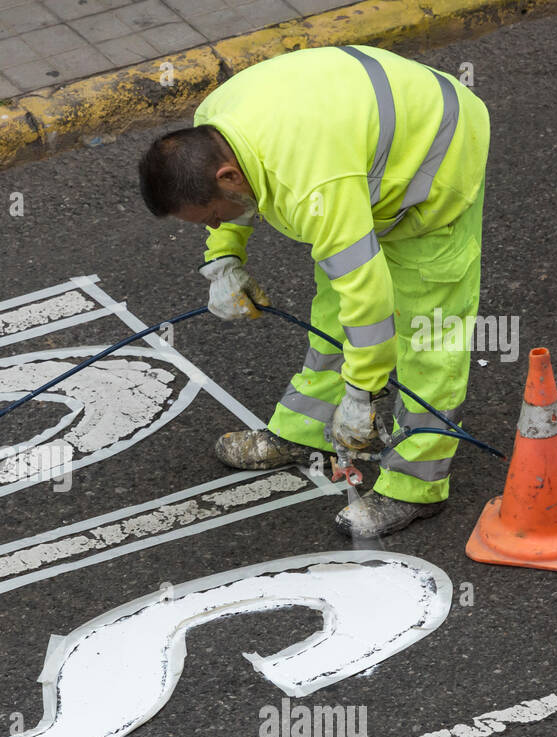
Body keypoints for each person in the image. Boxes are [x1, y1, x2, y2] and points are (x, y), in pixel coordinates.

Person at [138, 44, 490, 539]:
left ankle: (416, 483)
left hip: (437, 149)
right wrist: (223, 259)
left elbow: (368, 296)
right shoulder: (212, 126)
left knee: (426, 328)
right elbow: (346, 288)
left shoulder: (312, 184)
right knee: (333, 303)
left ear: (228, 176)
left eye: (214, 219)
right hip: (356, 147)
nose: (215, 224)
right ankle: (309, 429)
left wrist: (362, 394)